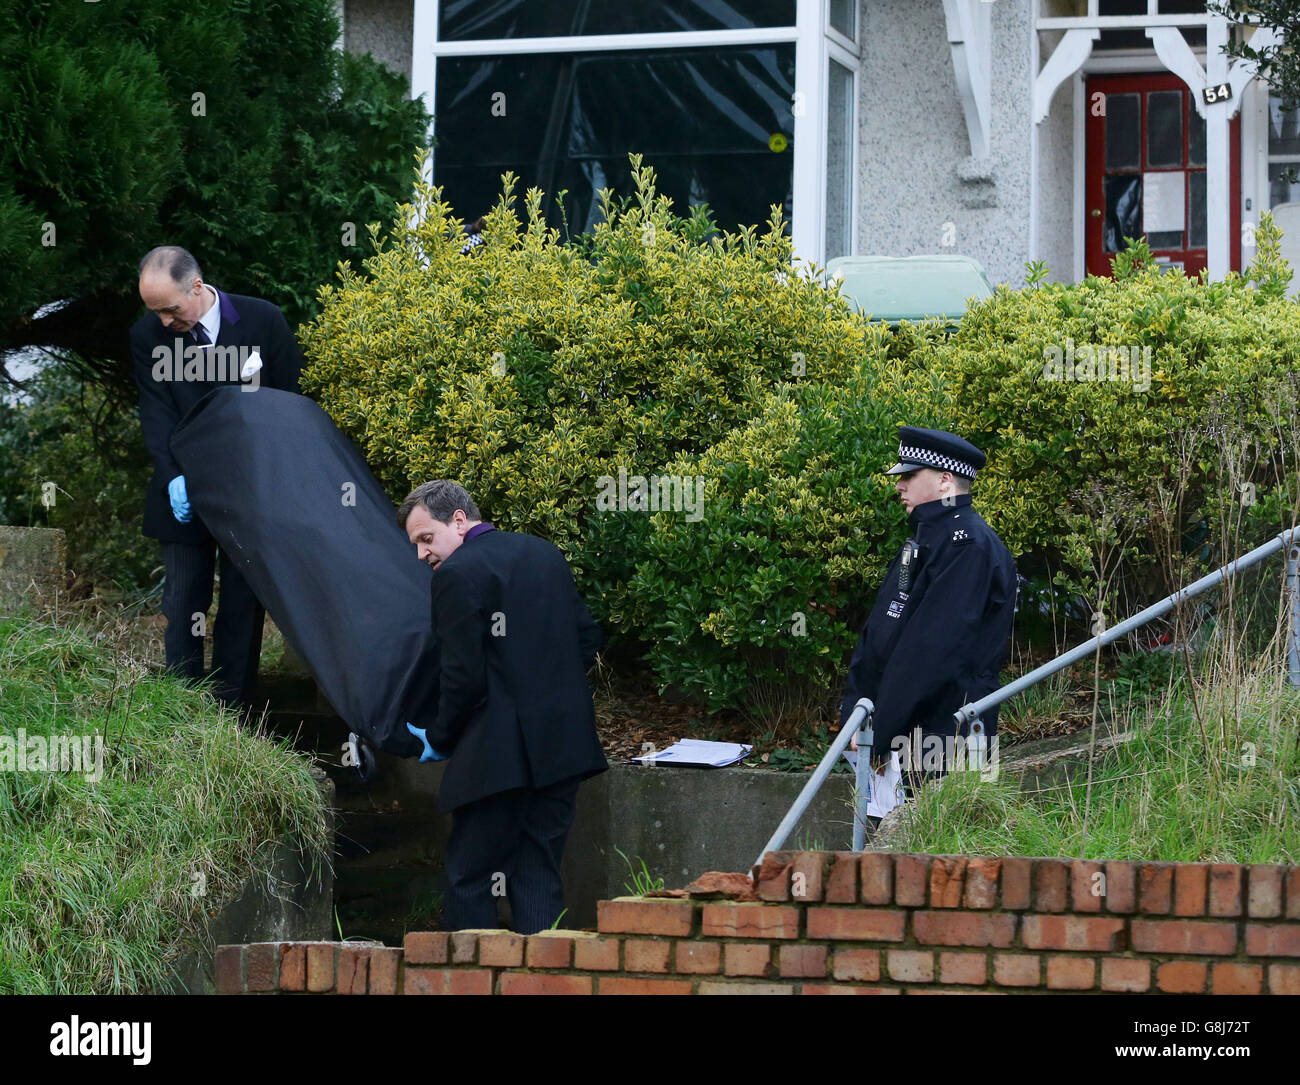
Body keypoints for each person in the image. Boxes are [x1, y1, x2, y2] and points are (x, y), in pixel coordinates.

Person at [398, 480, 606, 933]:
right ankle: (545, 980)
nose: (422, 555)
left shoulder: (456, 575)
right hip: (562, 747)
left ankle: (471, 979)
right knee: (537, 871)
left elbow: (463, 678)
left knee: (471, 875)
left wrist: (439, 736)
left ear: (458, 518)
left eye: (426, 539)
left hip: (497, 757)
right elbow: (587, 638)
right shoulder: (543, 553)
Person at [129, 245, 303, 710]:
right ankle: (184, 713)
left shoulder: (263, 320)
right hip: (183, 488)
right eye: (156, 311)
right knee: (183, 602)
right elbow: (157, 413)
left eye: (171, 308)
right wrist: (173, 477)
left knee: (243, 608)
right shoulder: (149, 335)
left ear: (198, 288)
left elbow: (291, 405)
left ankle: (234, 716)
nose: (165, 321)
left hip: (251, 495)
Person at [839, 426, 1017, 788]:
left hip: (946, 731)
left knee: (941, 837)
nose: (899, 485)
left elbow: (932, 651)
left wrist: (881, 730)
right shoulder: (928, 539)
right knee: (901, 834)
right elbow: (881, 632)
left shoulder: (968, 547)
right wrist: (858, 712)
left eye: (909, 475)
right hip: (910, 727)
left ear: (945, 481)